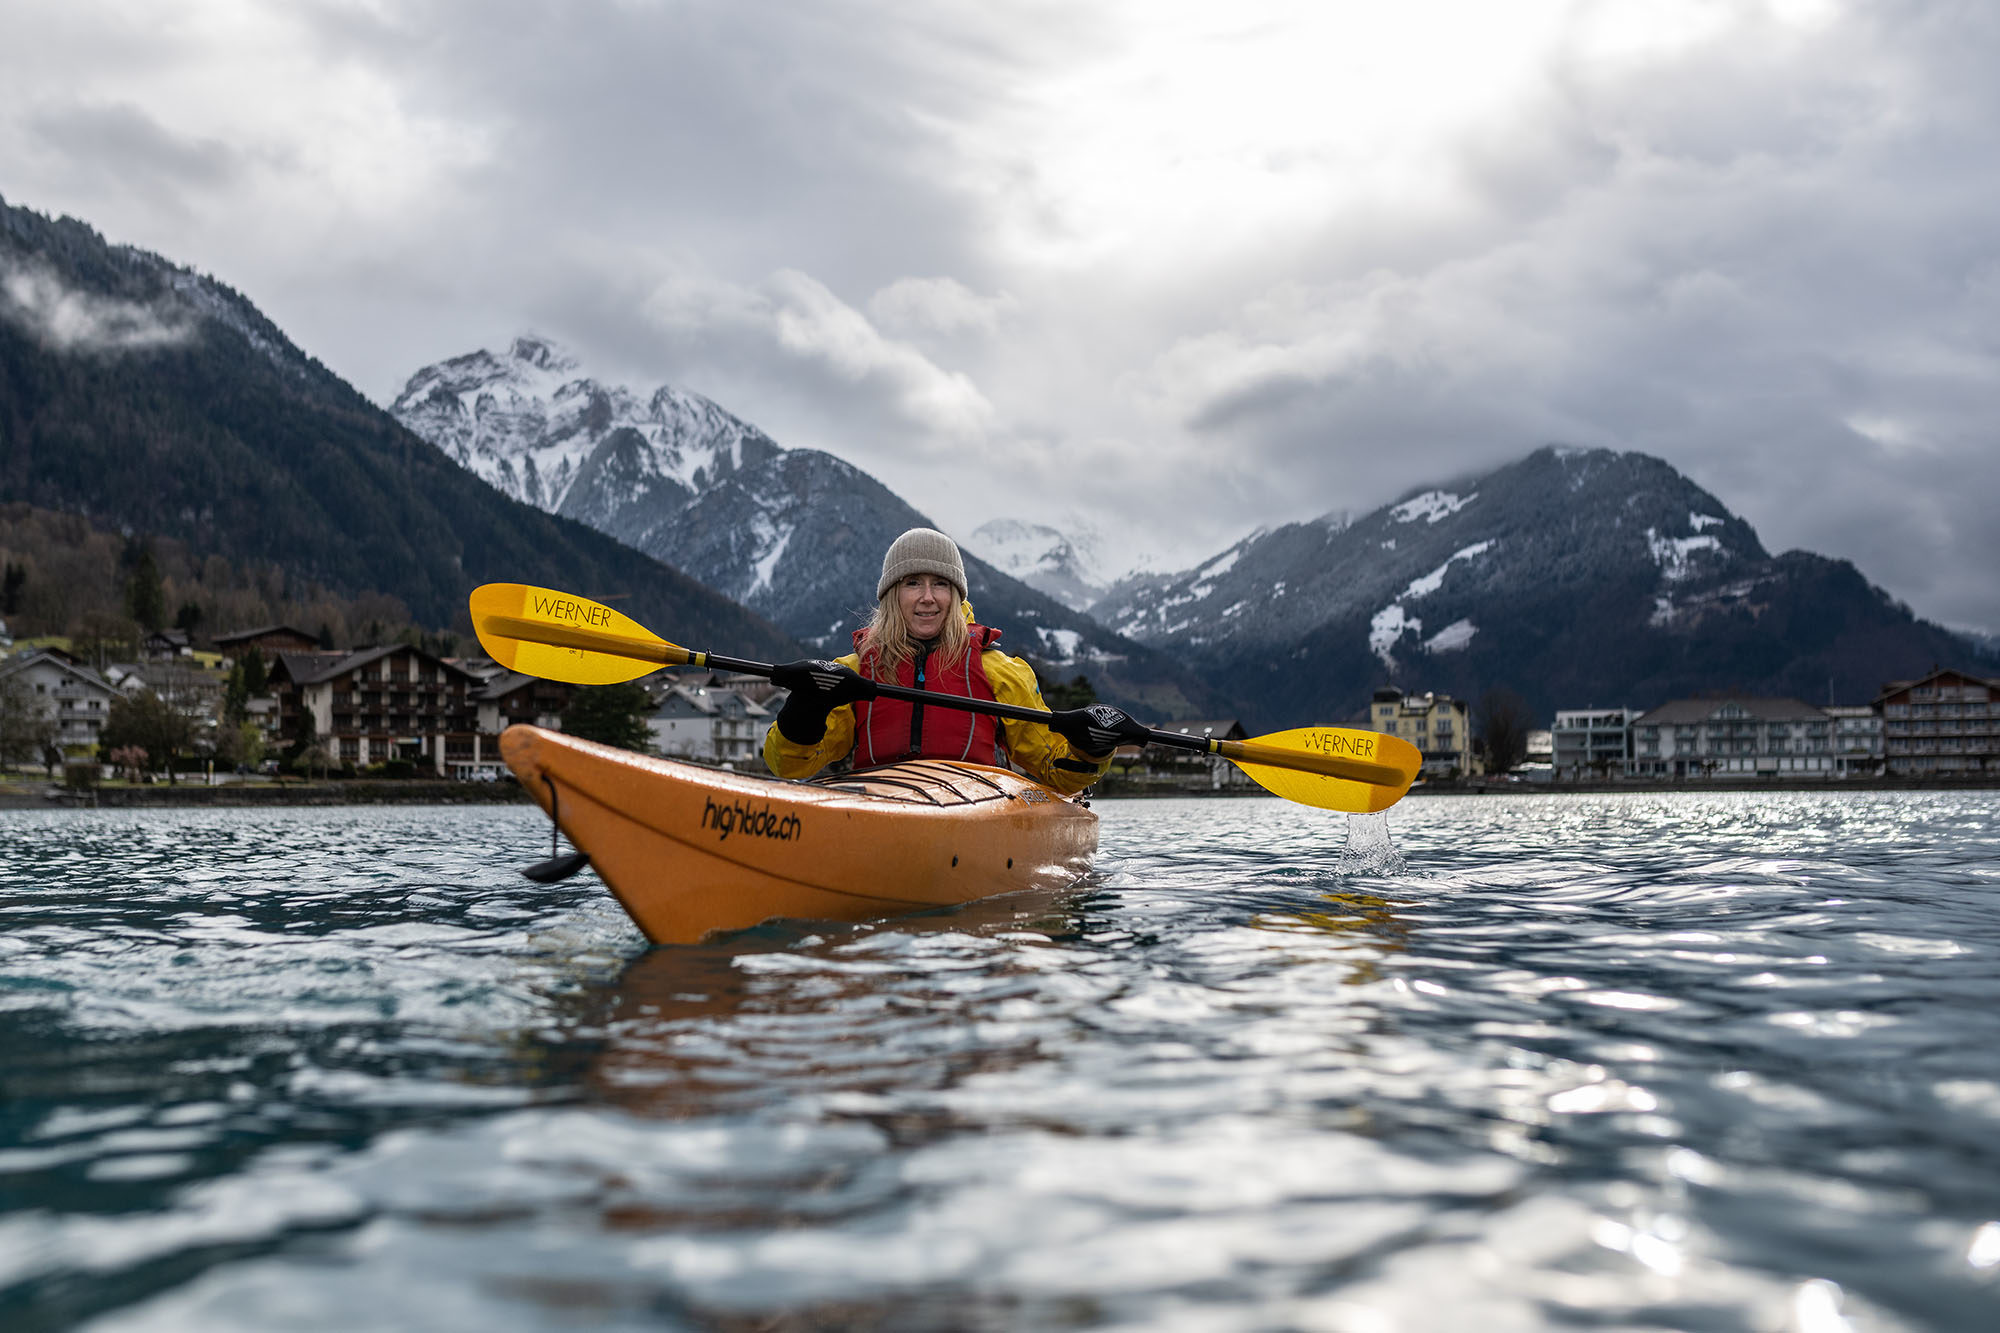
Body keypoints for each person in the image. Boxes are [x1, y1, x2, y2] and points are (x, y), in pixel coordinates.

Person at [762, 527, 1147, 794]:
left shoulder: (998, 672)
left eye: (941, 584)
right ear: (892, 596)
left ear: (956, 595)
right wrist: (803, 712)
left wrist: (1091, 749)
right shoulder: (853, 672)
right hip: (881, 802)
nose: (927, 597)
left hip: (975, 807)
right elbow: (790, 767)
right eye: (913, 583)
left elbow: (1054, 769)